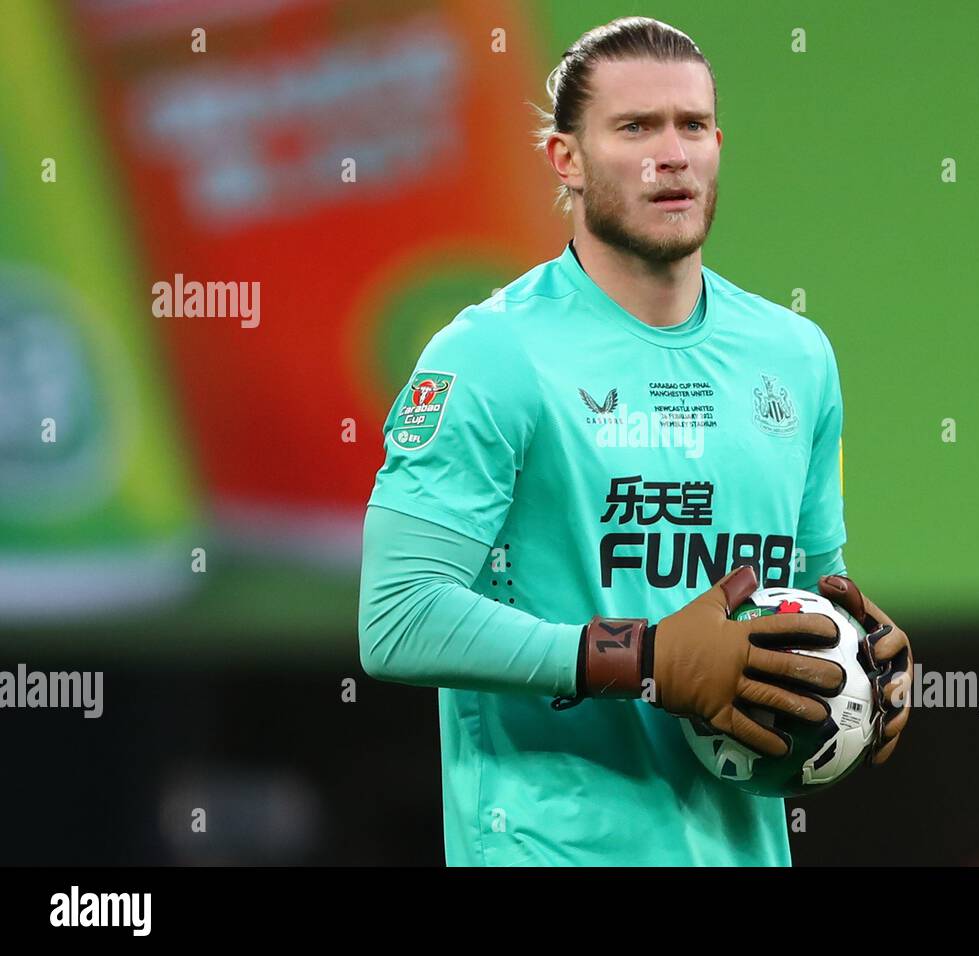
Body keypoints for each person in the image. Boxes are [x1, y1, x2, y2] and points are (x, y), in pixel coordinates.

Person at [358, 16, 913, 866]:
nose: (672, 153)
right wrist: (642, 656)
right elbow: (398, 620)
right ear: (565, 160)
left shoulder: (796, 358)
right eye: (635, 128)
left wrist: (861, 667)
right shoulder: (491, 354)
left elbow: (802, 604)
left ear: (719, 144)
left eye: (692, 125)